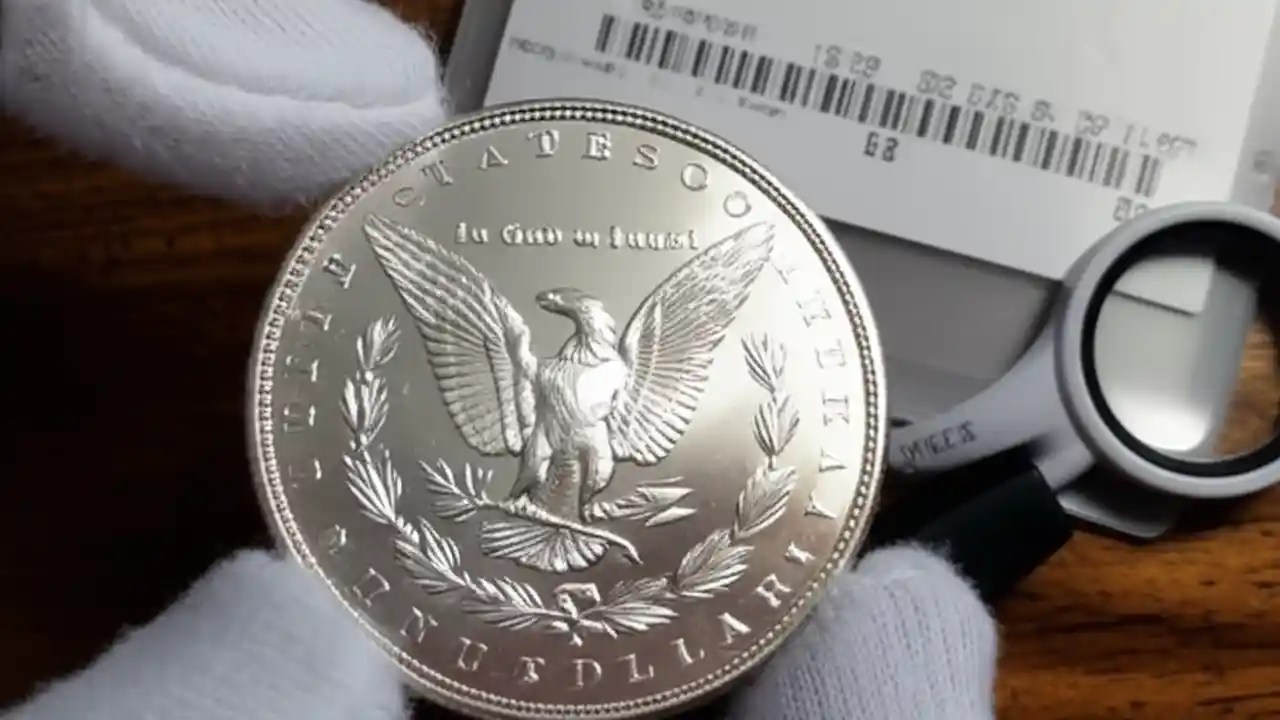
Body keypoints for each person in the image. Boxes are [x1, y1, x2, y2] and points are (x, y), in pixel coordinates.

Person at [0, 1, 998, 718]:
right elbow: (479, 324)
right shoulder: (534, 359)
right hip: (514, 502)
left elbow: (679, 321)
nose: (571, 315)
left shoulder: (632, 360)